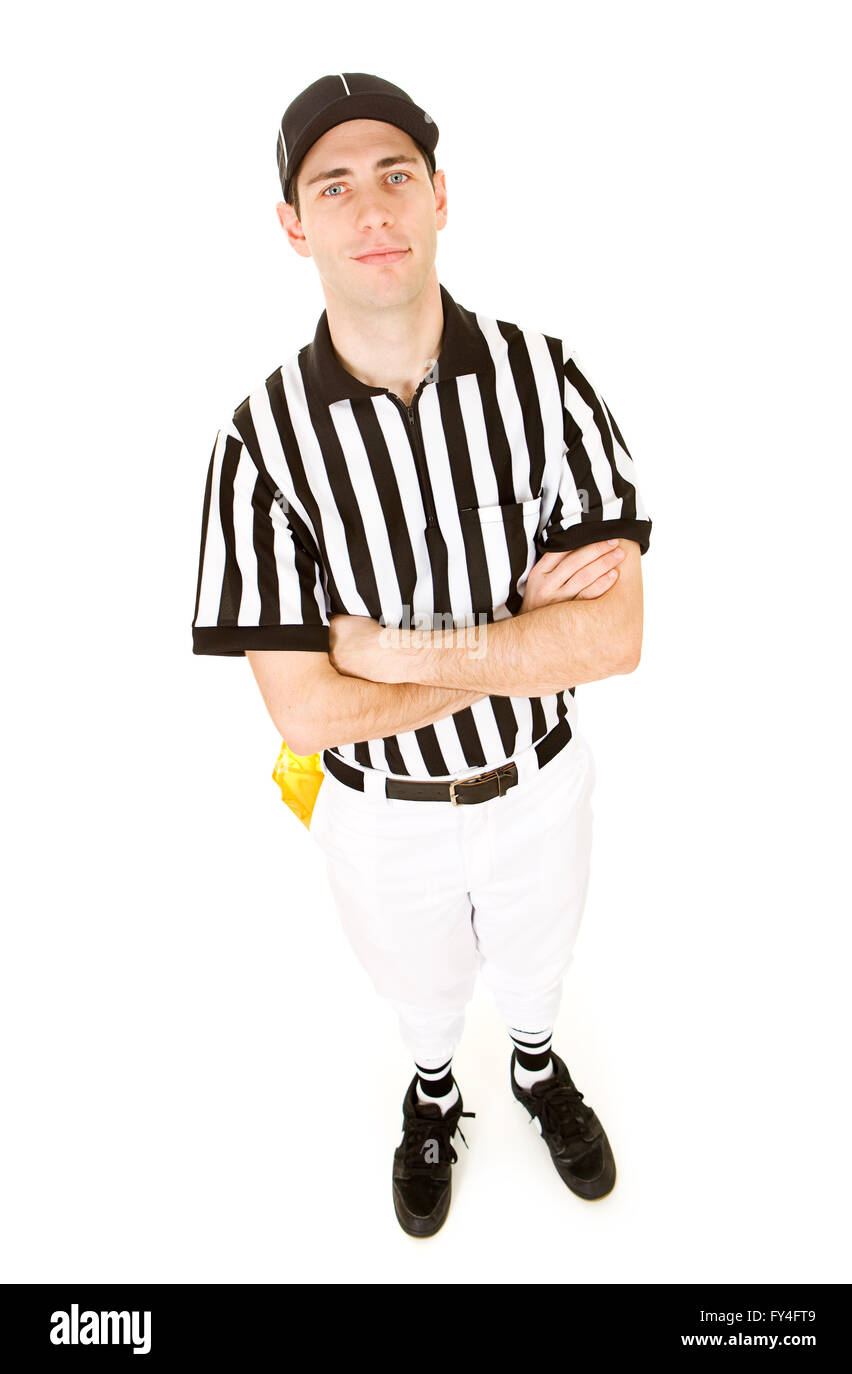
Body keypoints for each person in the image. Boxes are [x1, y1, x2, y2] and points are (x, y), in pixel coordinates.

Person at [191, 72, 652, 1238]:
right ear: (292, 225)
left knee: (537, 963)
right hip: (378, 811)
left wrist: (384, 649)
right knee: (422, 990)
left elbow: (612, 636)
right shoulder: (259, 445)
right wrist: (520, 639)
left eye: (395, 173)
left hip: (538, 780)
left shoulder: (546, 380)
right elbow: (305, 715)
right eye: (333, 186)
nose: (371, 208)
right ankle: (435, 1092)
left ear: (439, 194)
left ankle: (535, 1069)